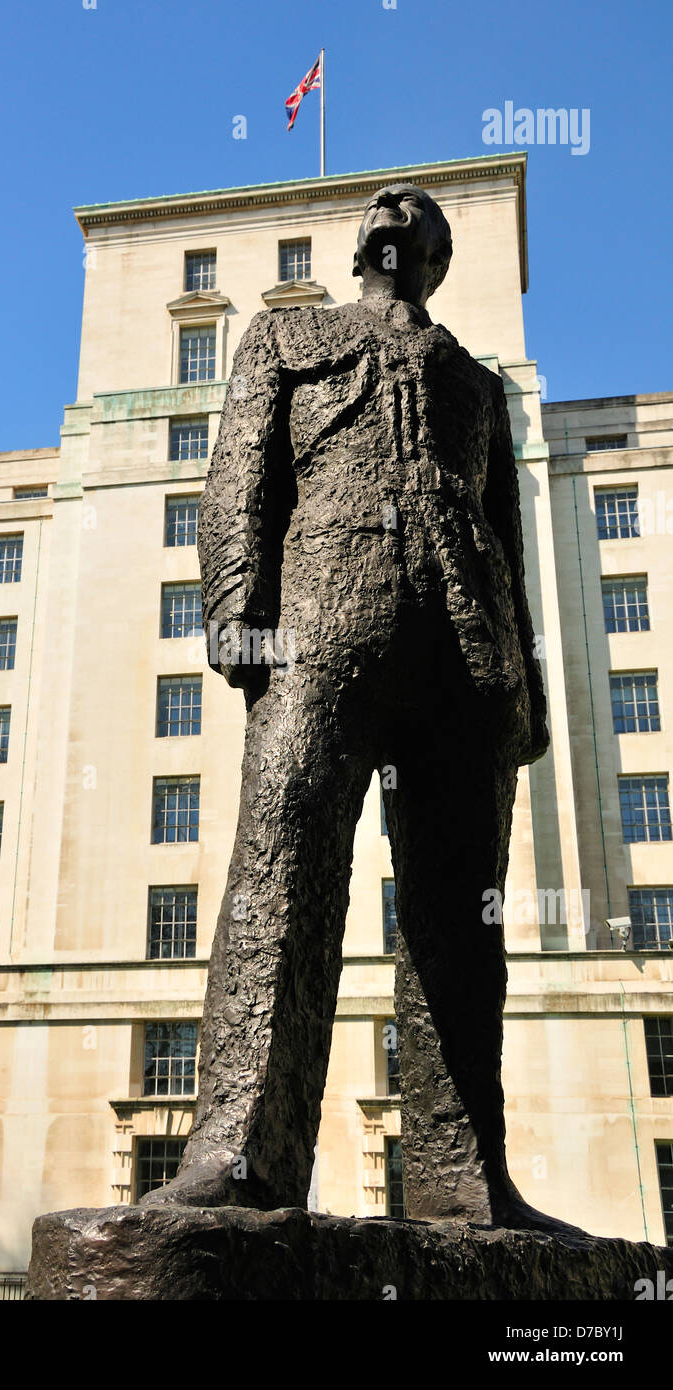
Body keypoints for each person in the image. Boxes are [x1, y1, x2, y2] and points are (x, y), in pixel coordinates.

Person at [141, 184, 567, 1230]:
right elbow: (237, 474)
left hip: (465, 655)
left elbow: (506, 541)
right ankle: (240, 1149)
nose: (392, 210)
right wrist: (236, 610)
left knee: (461, 918)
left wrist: (530, 694)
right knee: (282, 851)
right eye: (380, 206)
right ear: (359, 247)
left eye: (415, 211)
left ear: (431, 257)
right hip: (323, 623)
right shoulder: (286, 334)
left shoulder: (476, 383)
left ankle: (465, 1179)